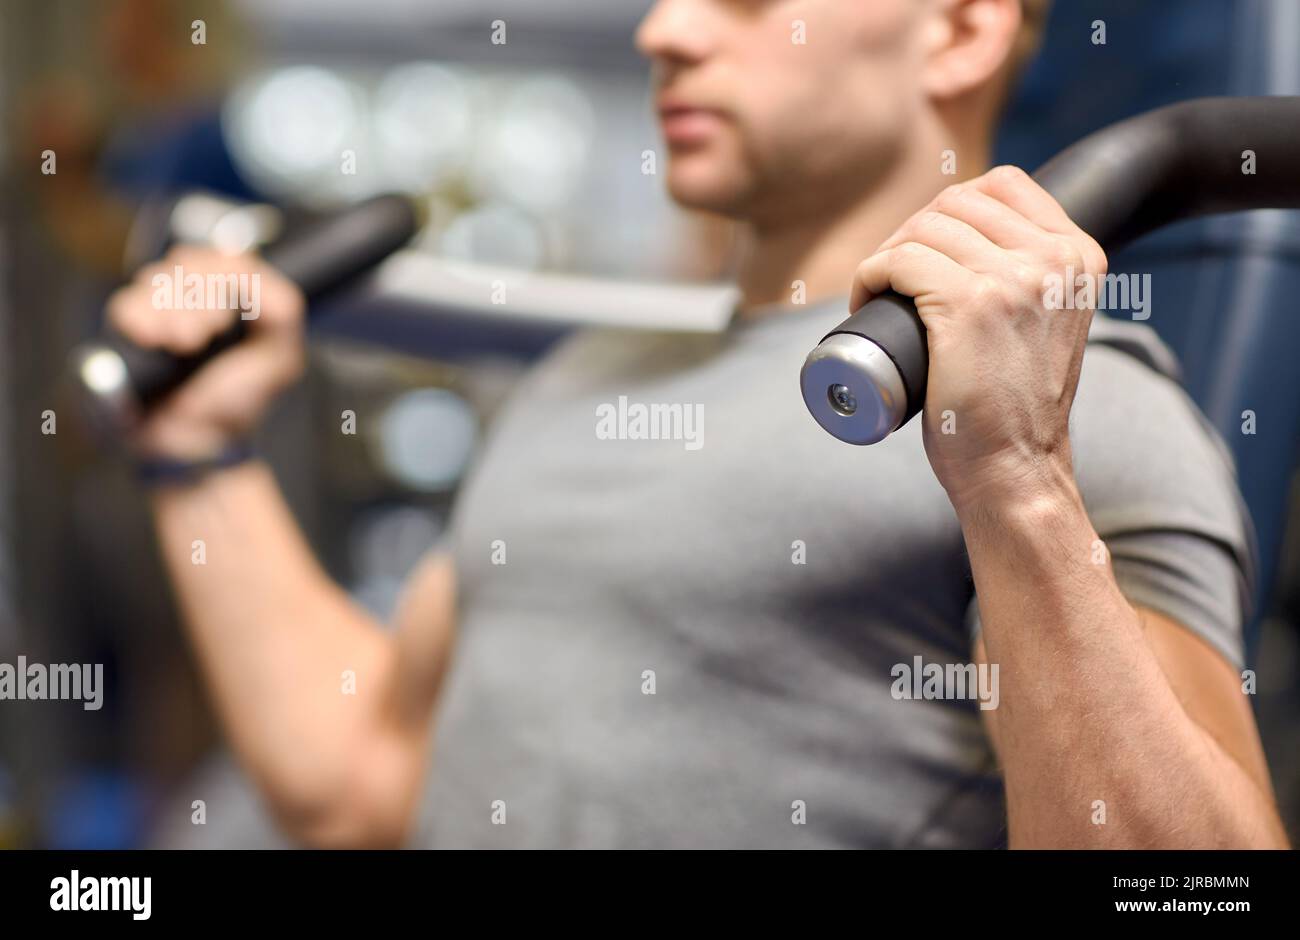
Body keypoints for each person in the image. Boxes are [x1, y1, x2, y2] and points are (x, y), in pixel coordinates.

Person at [105, 0, 1288, 848]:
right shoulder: (583, 375)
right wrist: (202, 453)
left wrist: (1017, 477)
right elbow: (361, 783)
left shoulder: (1072, 409)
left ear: (962, 29)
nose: (663, 31)